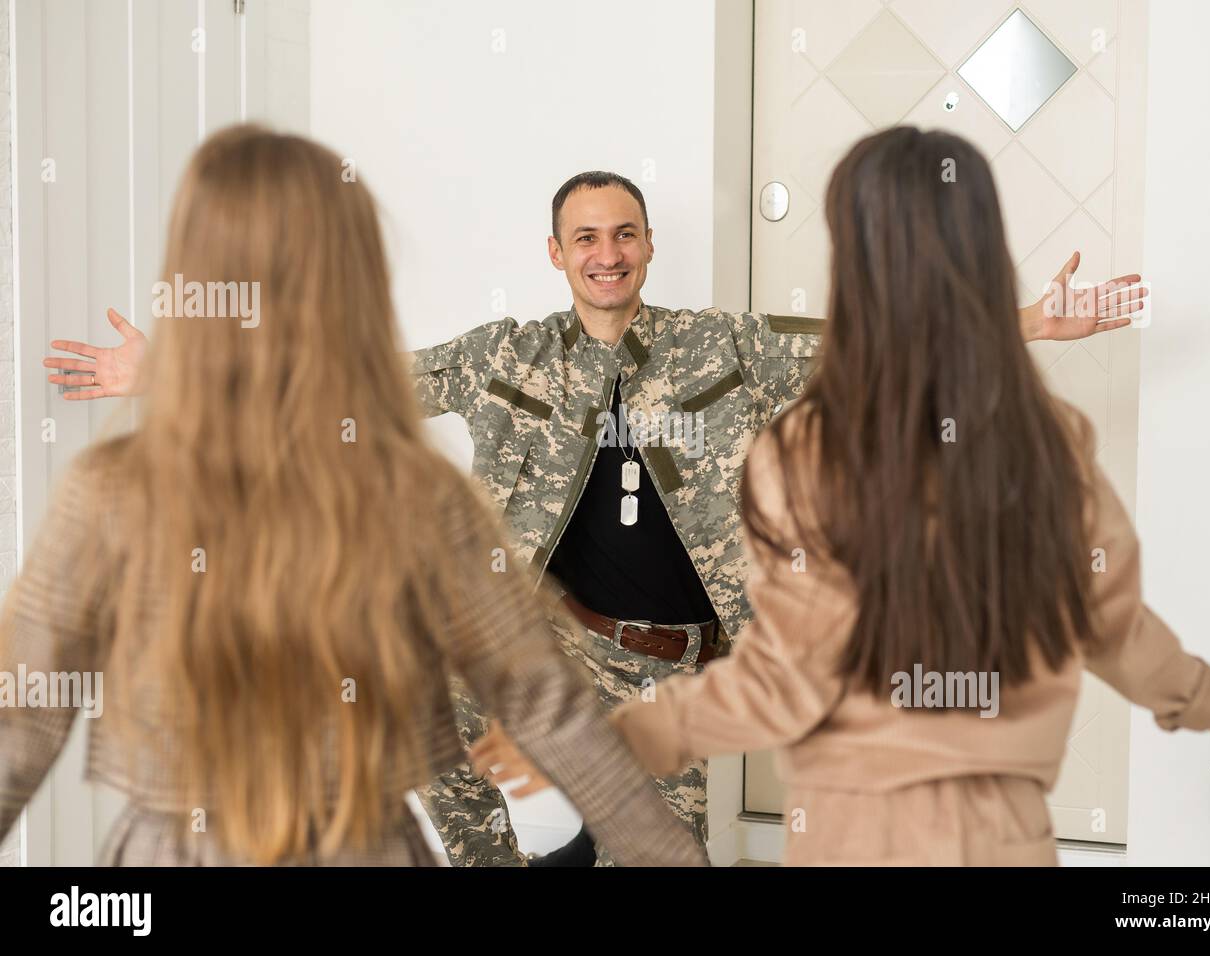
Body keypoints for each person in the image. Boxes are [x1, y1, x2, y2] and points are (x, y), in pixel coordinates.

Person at [43, 168, 1146, 866]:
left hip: (675, 667)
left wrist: (1037, 320)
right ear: (556, 253)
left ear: (649, 244)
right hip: (533, 650)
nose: (606, 252)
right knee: (480, 849)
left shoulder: (727, 345)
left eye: (624, 233)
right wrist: (168, 363)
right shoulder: (507, 353)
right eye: (585, 237)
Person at [587, 127, 1210, 865]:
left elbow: (782, 683)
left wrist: (618, 736)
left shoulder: (801, 452)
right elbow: (1110, 624)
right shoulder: (1047, 439)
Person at [1, 125, 703, 867]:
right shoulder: (423, 493)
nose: (609, 255)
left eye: (624, 236)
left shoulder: (110, 488)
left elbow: (23, 722)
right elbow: (554, 714)